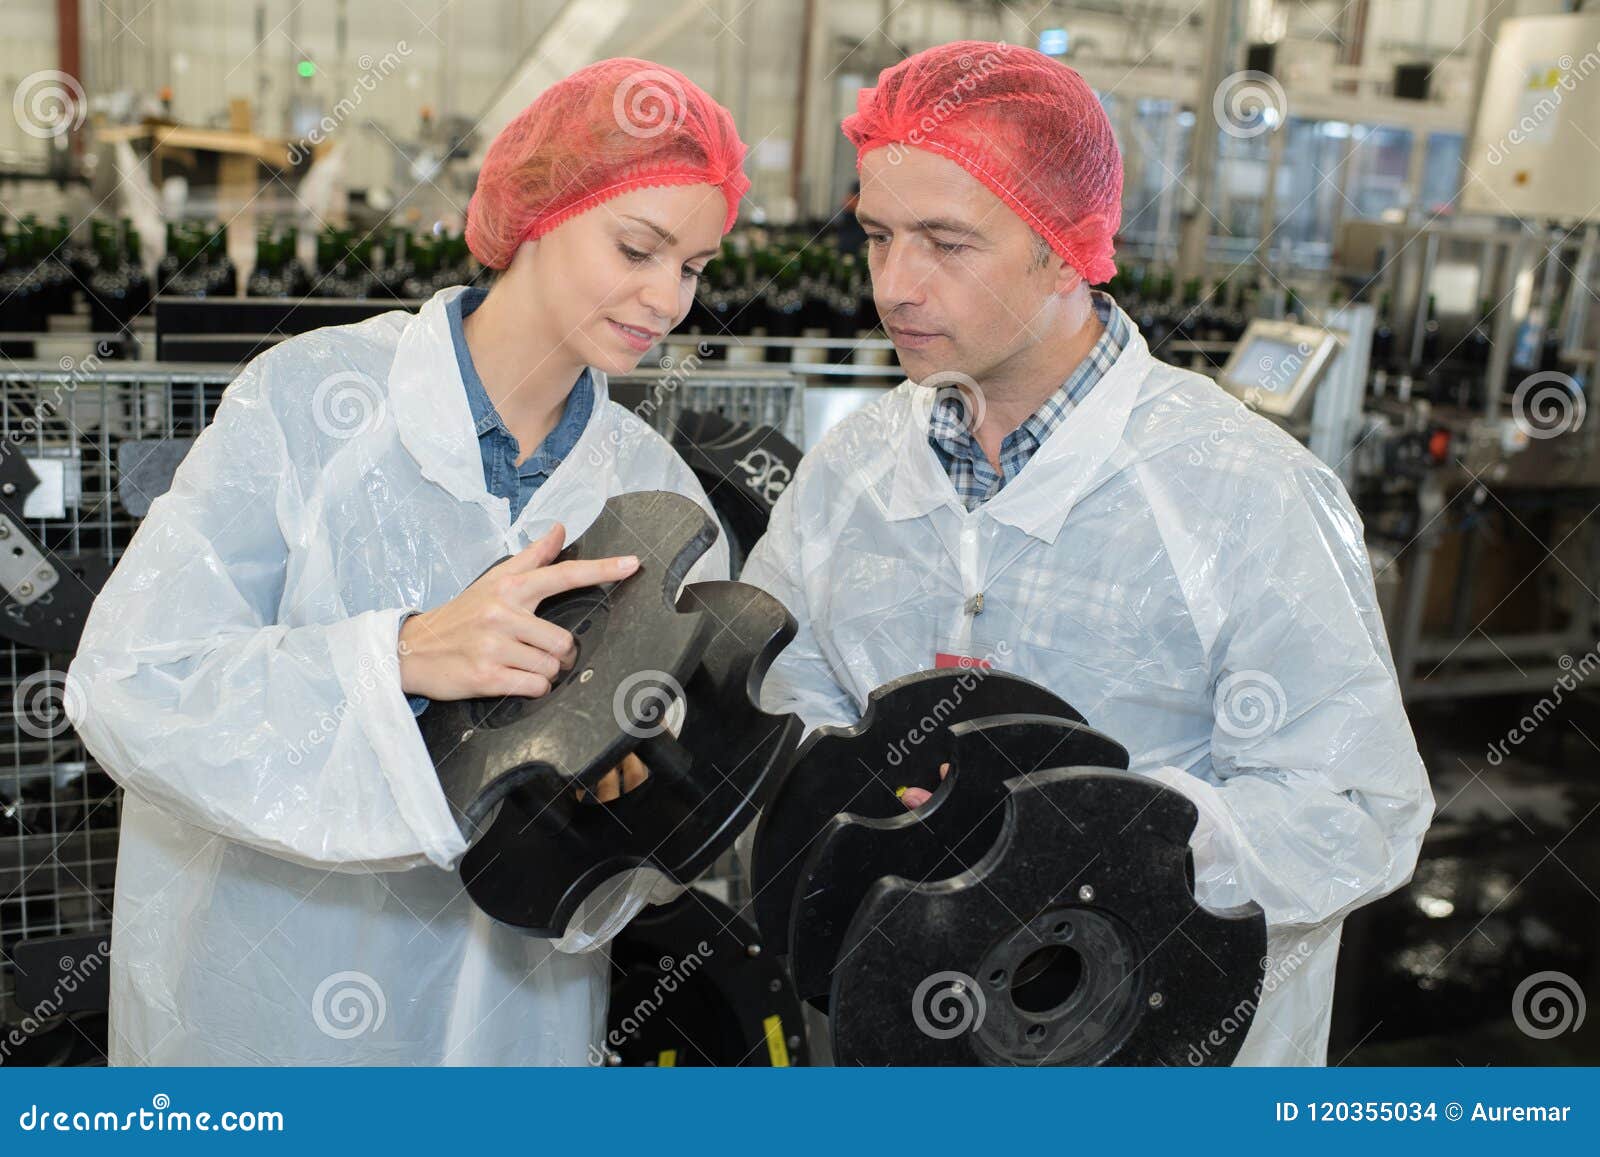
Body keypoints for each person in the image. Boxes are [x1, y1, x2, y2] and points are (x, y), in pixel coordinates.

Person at [739, 42, 1434, 1066]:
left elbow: (1356, 810)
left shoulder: (1241, 491)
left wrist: (1108, 839)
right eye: (878, 235)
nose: (895, 284)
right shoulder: (853, 468)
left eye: (945, 241)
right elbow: (784, 708)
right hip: (899, 1037)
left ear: (1064, 247)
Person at [66, 58, 749, 1066]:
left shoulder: (654, 496)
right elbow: (130, 682)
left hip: (514, 1023)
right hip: (266, 1011)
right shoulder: (312, 404)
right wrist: (398, 657)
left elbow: (642, 843)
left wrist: (625, 785)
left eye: (693, 266)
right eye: (638, 248)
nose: (668, 299)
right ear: (538, 213)